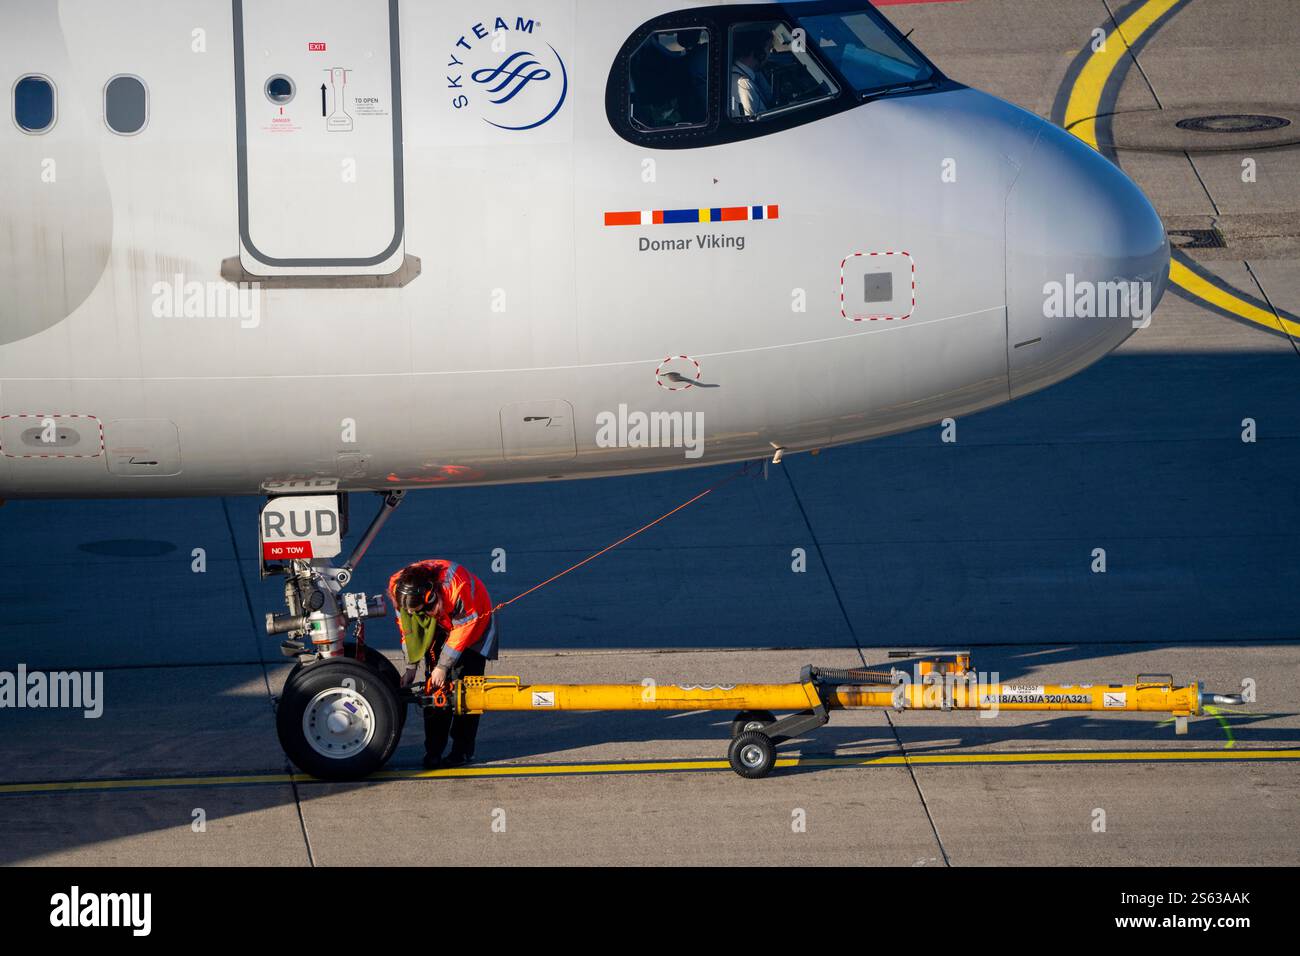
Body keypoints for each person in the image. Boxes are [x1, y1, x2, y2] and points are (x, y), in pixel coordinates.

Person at [388, 559, 499, 769]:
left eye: (415, 609)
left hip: (473, 628)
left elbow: (462, 631)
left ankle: (462, 751)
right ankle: (433, 751)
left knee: (466, 693)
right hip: (439, 622)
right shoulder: (399, 589)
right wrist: (411, 666)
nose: (411, 613)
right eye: (408, 610)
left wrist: (442, 666)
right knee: (436, 693)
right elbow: (408, 629)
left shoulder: (458, 589)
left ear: (429, 597)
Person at [730, 29, 773, 117]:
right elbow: (752, 123)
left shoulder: (750, 74)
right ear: (758, 51)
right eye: (769, 49)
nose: (770, 54)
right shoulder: (743, 84)